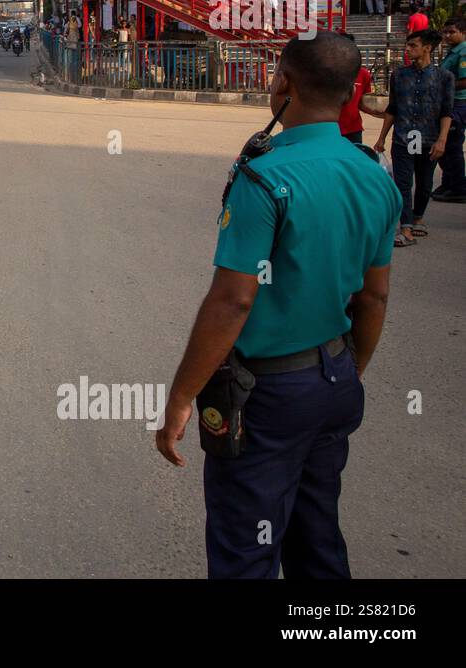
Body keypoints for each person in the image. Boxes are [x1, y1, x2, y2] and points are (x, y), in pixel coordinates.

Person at [157, 33, 401, 579]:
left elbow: (232, 301)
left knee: (246, 551)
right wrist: (344, 371)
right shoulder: (373, 175)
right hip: (334, 379)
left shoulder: (263, 177)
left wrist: (181, 395)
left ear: (283, 84)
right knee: (317, 538)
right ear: (350, 92)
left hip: (267, 397)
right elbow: (375, 294)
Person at [374, 29, 455, 246]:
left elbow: (447, 111)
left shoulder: (444, 77)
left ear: (427, 48)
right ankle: (406, 227)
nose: (408, 50)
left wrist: (442, 140)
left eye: (413, 46)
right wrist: (382, 137)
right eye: (407, 46)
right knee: (402, 182)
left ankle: (418, 217)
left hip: (429, 138)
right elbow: (392, 108)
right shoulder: (399, 75)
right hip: (403, 138)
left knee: (425, 183)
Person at [432, 18, 466, 202]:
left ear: (463, 32)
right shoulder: (453, 52)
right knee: (446, 147)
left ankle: (459, 187)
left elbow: (464, 80)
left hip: (459, 104)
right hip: (450, 103)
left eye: (452, 32)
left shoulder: (464, 52)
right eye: (445, 32)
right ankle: (448, 183)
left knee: (452, 146)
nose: (447, 35)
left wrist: (442, 86)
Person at [337, 33, 382, 143]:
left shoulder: (363, 74)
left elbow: (362, 102)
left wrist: (379, 113)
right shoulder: (326, 73)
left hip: (354, 129)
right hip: (330, 130)